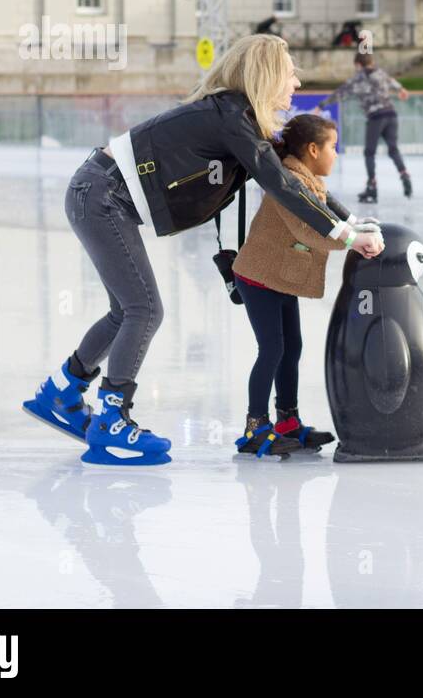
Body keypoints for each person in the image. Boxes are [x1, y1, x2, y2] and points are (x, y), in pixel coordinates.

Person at [23, 34, 385, 465]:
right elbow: (283, 185)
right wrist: (345, 237)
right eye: (291, 74)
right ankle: (110, 420)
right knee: (144, 310)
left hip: (99, 192)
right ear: (267, 75)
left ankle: (63, 392)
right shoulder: (230, 118)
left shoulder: (241, 122)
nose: (297, 85)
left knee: (127, 310)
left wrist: (349, 224)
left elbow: (298, 178)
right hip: (102, 195)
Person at [231, 114, 380, 458]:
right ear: (313, 149)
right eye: (333, 147)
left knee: (291, 347)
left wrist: (358, 226)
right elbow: (308, 229)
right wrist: (353, 242)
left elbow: (328, 207)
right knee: (272, 349)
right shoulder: (288, 182)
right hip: (258, 276)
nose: (337, 154)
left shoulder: (307, 177)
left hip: (279, 276)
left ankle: (287, 422)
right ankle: (255, 427)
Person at [318, 55, 411, 203]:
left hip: (376, 117)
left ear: (358, 64)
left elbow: (340, 93)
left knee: (369, 153)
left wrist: (321, 105)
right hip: (391, 115)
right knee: (393, 149)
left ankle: (372, 187)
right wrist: (402, 90)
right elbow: (393, 83)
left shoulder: (358, 78)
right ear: (371, 62)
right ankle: (404, 174)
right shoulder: (380, 72)